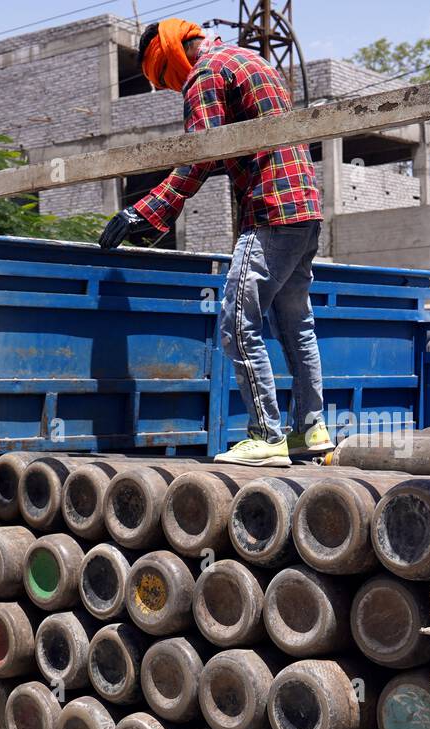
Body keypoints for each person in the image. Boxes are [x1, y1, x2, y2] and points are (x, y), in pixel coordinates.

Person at [99, 18, 332, 467]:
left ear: (172, 56)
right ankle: (309, 430)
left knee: (236, 324)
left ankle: (266, 435)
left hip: (269, 213)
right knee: (296, 327)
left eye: (167, 77)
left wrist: (142, 211)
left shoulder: (205, 73)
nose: (175, 85)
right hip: (304, 210)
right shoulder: (251, 58)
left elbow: (198, 156)